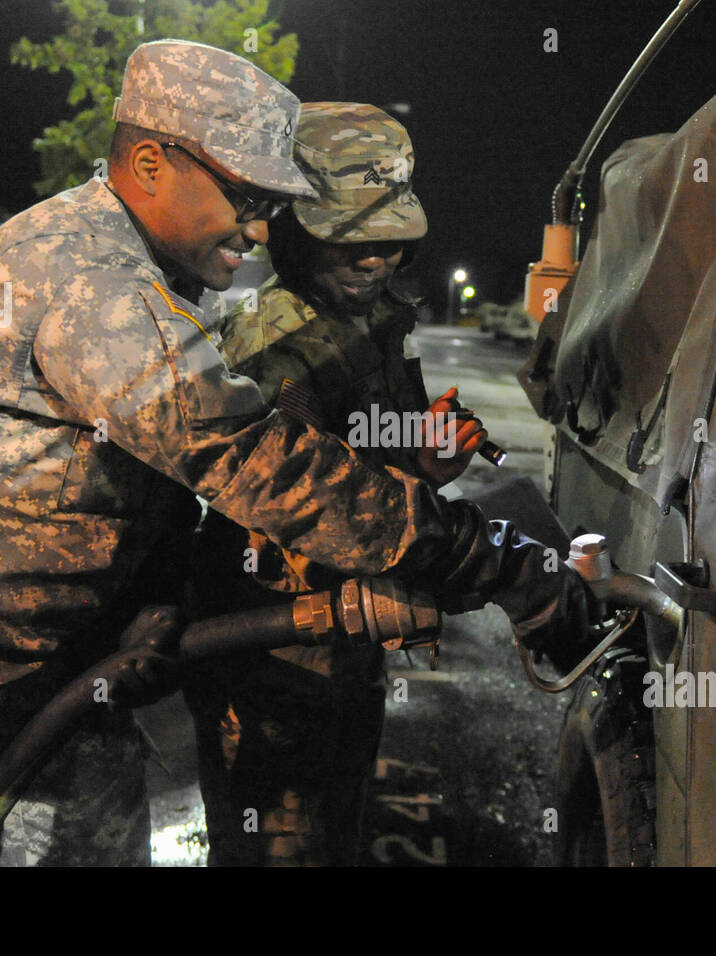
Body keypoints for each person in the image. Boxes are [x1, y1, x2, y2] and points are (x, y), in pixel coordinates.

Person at [0, 41, 590, 867]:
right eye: (245, 197)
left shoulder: (150, 275)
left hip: (56, 664)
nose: (262, 230)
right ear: (151, 164)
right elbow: (251, 459)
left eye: (272, 204)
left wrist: (154, 594)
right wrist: (497, 563)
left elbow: (149, 471)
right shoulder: (95, 282)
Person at [185, 102, 486, 866]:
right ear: (293, 229)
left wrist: (424, 461)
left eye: (391, 239)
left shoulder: (373, 319)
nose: (375, 260)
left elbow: (368, 460)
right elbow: (278, 504)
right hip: (275, 660)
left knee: (338, 835)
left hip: (351, 646)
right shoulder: (274, 345)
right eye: (350, 238)